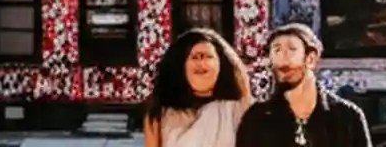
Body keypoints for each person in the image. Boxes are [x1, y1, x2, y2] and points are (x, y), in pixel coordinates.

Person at [236, 23, 371, 147]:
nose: (283, 58)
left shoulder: (346, 117)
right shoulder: (257, 119)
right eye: (277, 50)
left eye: (291, 49)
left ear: (311, 59)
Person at [143, 28, 252, 147]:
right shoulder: (160, 116)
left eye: (207, 56)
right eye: (195, 57)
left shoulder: (242, 110)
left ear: (221, 65)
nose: (200, 63)